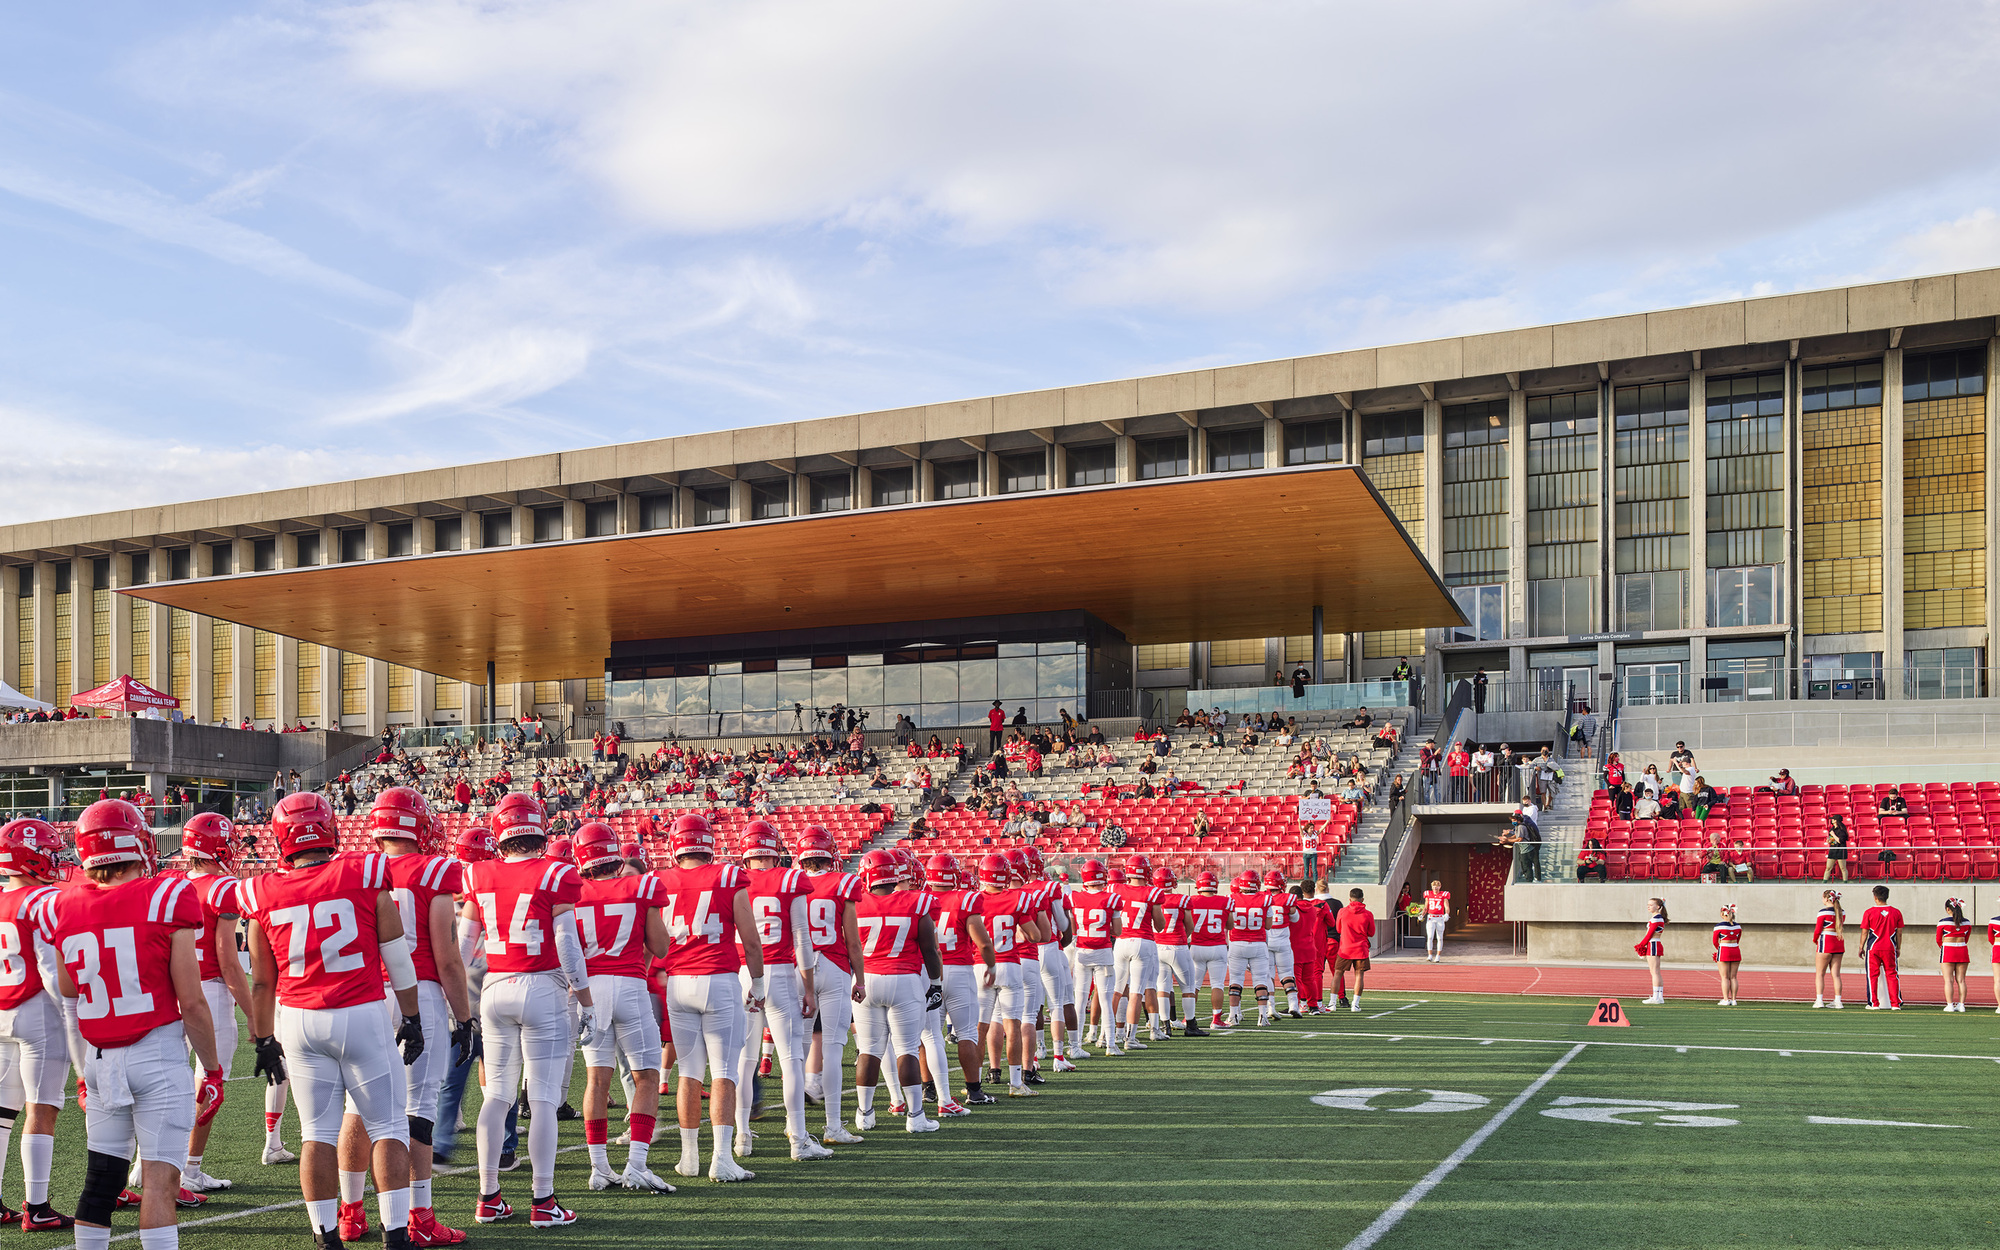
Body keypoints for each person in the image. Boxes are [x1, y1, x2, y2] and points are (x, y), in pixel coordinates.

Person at [239, 791, 425, 1249]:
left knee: (315, 1133)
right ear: (328, 829)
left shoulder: (260, 891)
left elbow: (262, 982)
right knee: (387, 1127)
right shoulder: (363, 870)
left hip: (299, 1020)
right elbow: (397, 959)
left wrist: (264, 1038)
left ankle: (326, 1237)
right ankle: (396, 1235)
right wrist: (413, 1016)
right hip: (360, 1012)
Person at [43, 800, 224, 1250]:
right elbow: (193, 1000)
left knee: (101, 1183)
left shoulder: (63, 905)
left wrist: (83, 1075)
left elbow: (70, 997)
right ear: (135, 843)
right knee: (160, 1183)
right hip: (158, 1054)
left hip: (101, 1061)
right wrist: (214, 1068)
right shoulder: (167, 894)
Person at [456, 792, 590, 1221]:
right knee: (545, 1099)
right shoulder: (556, 873)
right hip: (542, 986)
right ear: (539, 829)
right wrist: (584, 996)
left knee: (496, 1096)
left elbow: (463, 946)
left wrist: (458, 995)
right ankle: (543, 1201)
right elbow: (567, 944)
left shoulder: (479, 873)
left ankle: (489, 1197)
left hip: (496, 988)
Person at [652, 814, 765, 1179]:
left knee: (688, 1073)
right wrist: (759, 985)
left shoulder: (659, 881)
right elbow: (750, 939)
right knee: (724, 1073)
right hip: (717, 980)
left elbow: (650, 940)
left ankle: (689, 1158)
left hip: (679, 982)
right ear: (707, 844)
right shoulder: (728, 876)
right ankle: (721, 1159)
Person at [566, 822, 676, 1190]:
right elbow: (661, 947)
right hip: (630, 984)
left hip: (590, 990)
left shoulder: (571, 890)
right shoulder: (642, 885)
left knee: (597, 1079)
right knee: (646, 1076)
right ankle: (637, 1164)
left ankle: (599, 1167)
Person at [163, 814, 255, 1202]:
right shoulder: (224, 887)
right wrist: (254, 1015)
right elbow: (229, 962)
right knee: (210, 1079)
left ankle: (149, 1161)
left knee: (168, 1076)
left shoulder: (173, 885)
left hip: (172, 989)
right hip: (211, 992)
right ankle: (190, 1168)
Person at [729, 821, 828, 1159]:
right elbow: (802, 937)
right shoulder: (789, 878)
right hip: (780, 972)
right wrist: (810, 988)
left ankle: (742, 1135)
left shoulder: (734, 880)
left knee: (744, 1061)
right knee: (790, 1058)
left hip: (743, 973)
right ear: (775, 849)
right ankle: (798, 1139)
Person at [0, 819, 75, 1230]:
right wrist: (76, 1017)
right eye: (48, 850)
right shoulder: (41, 899)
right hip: (37, 1013)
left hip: (1, 1012)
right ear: (32, 855)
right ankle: (37, 1206)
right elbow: (52, 971)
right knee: (41, 1109)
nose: (54, 858)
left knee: (1, 1112)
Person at [849, 850, 945, 1134]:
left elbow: (847, 946)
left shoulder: (855, 904)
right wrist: (936, 984)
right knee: (906, 1050)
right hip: (905, 981)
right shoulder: (917, 901)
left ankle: (864, 1114)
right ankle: (915, 1117)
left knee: (868, 1050)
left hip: (867, 980)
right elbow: (930, 949)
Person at [798, 828, 869, 1139]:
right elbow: (853, 940)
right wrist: (861, 979)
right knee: (833, 1051)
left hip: (798, 968)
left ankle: (796, 1128)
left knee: (795, 1051)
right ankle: (833, 1126)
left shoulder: (790, 882)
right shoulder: (842, 882)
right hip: (834, 965)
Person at [925, 854, 995, 1107]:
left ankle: (928, 1089)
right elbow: (983, 942)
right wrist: (991, 965)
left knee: (929, 1035)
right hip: (959, 971)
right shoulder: (965, 899)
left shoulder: (921, 899)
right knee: (966, 1033)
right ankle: (974, 1091)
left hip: (930, 972)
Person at [1110, 857, 1168, 1044]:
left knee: (1116, 990)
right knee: (1136, 992)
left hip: (1120, 942)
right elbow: (1159, 925)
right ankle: (1130, 1037)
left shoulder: (1115, 889)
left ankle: (1107, 1035)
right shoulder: (1153, 892)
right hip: (1142, 941)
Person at [1151, 868, 1203, 1035]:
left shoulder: (1151, 898)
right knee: (1188, 988)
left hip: (1157, 947)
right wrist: (1182, 938)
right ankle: (1191, 1026)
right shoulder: (1182, 899)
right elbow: (1190, 926)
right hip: (1177, 946)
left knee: (1162, 988)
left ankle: (1166, 1026)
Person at [1260, 871, 1301, 1017]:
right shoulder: (1288, 898)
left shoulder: (1262, 898)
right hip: (1282, 941)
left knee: (1268, 975)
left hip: (1266, 941)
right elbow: (1295, 918)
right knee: (1287, 974)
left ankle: (1271, 1007)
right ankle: (1293, 1005)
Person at [1860, 885, 1904, 1011]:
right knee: (1892, 975)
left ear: (1875, 897)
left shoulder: (1869, 912)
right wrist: (1898, 947)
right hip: (1890, 947)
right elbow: (1899, 933)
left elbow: (1864, 932)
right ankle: (1895, 1004)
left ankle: (1874, 1003)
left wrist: (1860, 946)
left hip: (1873, 947)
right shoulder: (1896, 912)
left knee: (1872, 975)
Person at [1332, 888, 1374, 1011]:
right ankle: (1355, 1004)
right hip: (1361, 948)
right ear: (1362, 899)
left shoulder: (1342, 911)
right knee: (1359, 975)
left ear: (1350, 899)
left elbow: (1338, 929)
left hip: (1345, 947)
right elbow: (1371, 932)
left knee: (1338, 973)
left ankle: (1332, 1003)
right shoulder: (1368, 914)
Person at [1936, 898, 1972, 1013]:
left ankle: (1950, 1005)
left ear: (1948, 909)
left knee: (1948, 980)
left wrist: (1944, 946)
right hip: (1962, 949)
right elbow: (1966, 938)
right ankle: (1961, 1005)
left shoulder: (1943, 922)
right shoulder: (1967, 922)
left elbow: (1938, 939)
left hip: (1948, 950)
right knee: (1961, 980)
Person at [1812, 891, 1846, 1009]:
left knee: (1820, 973)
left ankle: (1819, 1000)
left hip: (1826, 941)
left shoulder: (1823, 912)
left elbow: (1817, 929)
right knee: (1836, 974)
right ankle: (1838, 1001)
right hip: (1839, 941)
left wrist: (1815, 939)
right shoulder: (1842, 912)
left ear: (1826, 899)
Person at [1634, 898, 1667, 1004]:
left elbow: (1649, 934)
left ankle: (1656, 997)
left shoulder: (1657, 918)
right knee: (1655, 972)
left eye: (1651, 905)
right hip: (1654, 944)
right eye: (1648, 904)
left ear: (1658, 907)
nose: (1648, 906)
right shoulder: (1657, 918)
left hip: (1653, 944)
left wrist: (1640, 946)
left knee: (1654, 972)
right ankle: (1658, 997)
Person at [1711, 905, 1742, 1006]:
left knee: (1724, 977)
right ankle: (1734, 1000)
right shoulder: (1738, 926)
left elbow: (1715, 941)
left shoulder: (1719, 926)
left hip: (1724, 950)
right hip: (1736, 950)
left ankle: (1725, 999)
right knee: (1733, 977)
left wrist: (1719, 950)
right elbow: (1738, 939)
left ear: (1722, 914)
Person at [1421, 879, 1450, 962]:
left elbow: (1446, 906)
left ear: (1440, 887)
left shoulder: (1443, 895)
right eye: (1434, 888)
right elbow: (1426, 907)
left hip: (1440, 917)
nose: (1435, 890)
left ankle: (1438, 955)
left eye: (1437, 888)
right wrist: (1422, 914)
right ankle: (1429, 955)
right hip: (1431, 917)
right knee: (1430, 937)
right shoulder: (1428, 895)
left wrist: (1447, 914)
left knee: (1440, 938)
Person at [1823, 815, 1850, 883]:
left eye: (1833, 819)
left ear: (1836, 820)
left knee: (1843, 868)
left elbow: (1840, 841)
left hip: (1840, 850)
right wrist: (1829, 840)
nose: (1831, 820)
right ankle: (1824, 882)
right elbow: (1832, 840)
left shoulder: (1842, 830)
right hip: (1833, 850)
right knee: (1828, 868)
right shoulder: (1832, 829)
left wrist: (1833, 835)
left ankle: (1845, 882)